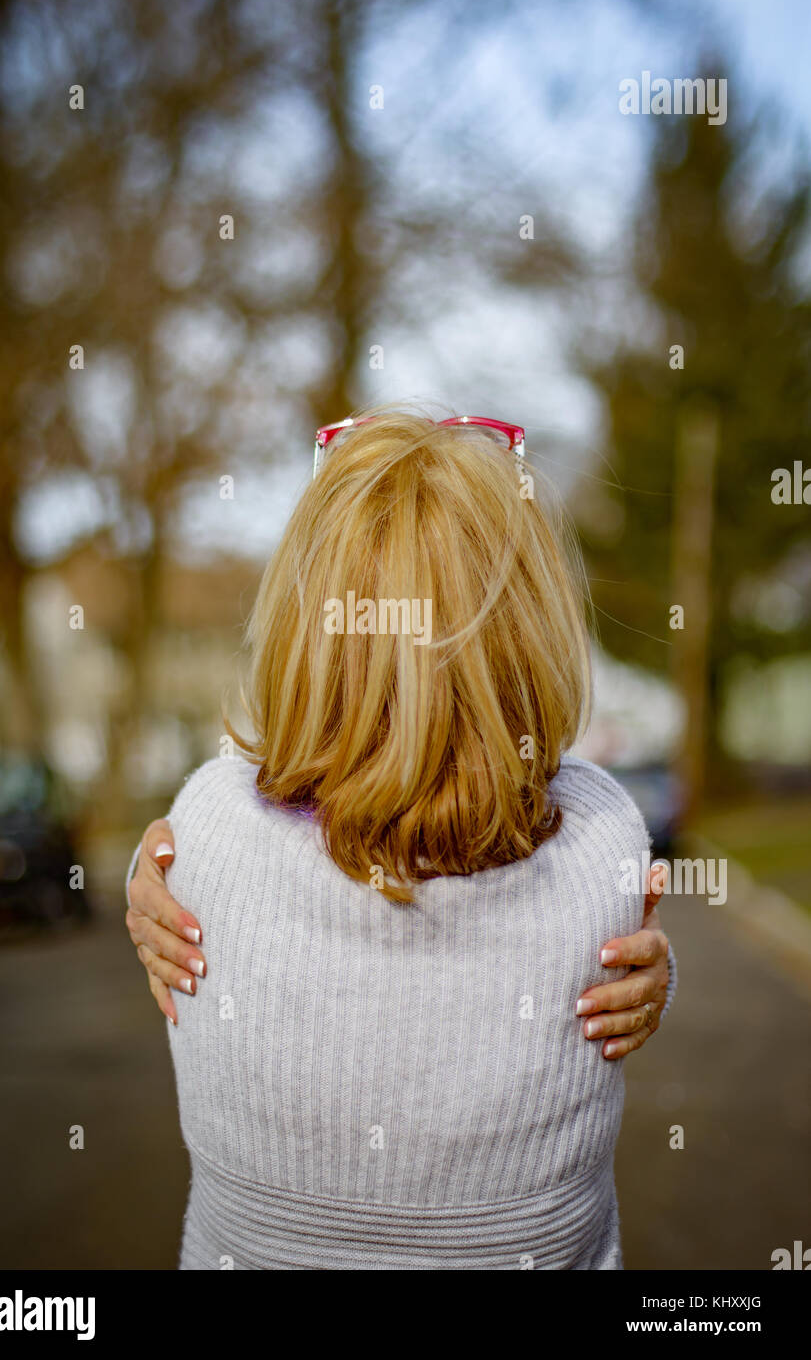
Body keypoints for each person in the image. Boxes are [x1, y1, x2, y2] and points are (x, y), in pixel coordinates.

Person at [126, 407, 675, 1269]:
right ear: (532, 631)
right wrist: (656, 976)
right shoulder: (603, 840)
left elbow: (200, 821)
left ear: (303, 626)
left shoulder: (204, 830)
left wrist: (144, 873)